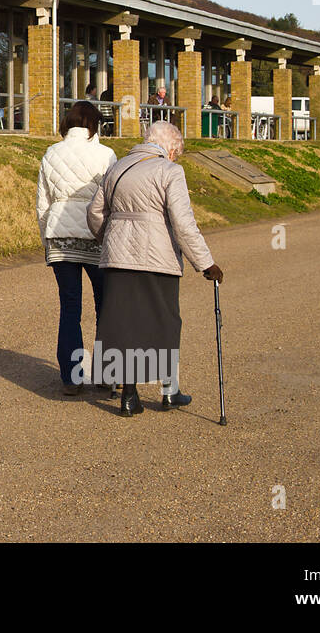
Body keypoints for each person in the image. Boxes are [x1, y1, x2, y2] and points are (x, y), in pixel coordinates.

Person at [86, 120, 224, 417]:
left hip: (118, 257)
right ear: (170, 148)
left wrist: (110, 239)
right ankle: (169, 391)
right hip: (157, 258)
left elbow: (95, 212)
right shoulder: (170, 171)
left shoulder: (118, 168)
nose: (176, 157)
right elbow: (183, 224)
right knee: (164, 321)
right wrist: (205, 263)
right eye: (177, 152)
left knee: (125, 324)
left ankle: (129, 396)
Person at [37, 101, 116, 395]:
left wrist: (47, 238)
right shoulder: (106, 155)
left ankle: (71, 377)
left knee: (70, 307)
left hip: (60, 236)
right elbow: (112, 198)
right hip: (95, 235)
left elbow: (42, 203)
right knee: (105, 305)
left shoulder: (51, 154)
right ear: (94, 124)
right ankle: (107, 372)